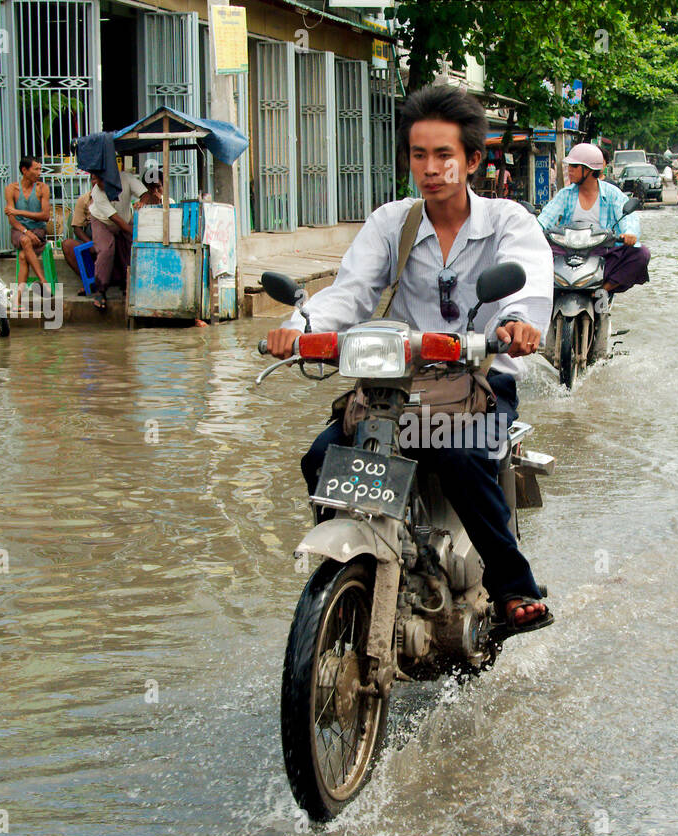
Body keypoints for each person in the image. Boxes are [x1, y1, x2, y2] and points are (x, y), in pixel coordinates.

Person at [265, 84, 553, 635]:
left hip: (480, 380)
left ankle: (514, 583)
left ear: (472, 159)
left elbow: (527, 283)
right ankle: (352, 580)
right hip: (395, 383)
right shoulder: (390, 223)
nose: (431, 167)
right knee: (319, 458)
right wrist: (299, 329)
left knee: (454, 449)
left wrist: (516, 324)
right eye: (419, 155)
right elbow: (349, 293)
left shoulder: (508, 222)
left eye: (445, 155)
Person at [537, 142, 650, 301]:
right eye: (570, 166)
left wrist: (630, 233)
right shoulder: (565, 194)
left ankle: (603, 290)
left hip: (601, 252)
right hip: (567, 251)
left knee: (641, 254)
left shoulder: (612, 194)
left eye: (575, 166)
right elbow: (546, 217)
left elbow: (628, 217)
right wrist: (534, 229)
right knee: (533, 254)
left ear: (589, 170)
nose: (569, 171)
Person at [84, 165, 148, 311]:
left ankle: (129, 285)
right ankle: (100, 291)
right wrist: (137, 234)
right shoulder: (97, 193)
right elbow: (116, 220)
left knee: (132, 248)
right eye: (95, 180)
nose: (98, 184)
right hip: (102, 220)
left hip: (124, 217)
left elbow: (144, 193)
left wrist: (142, 202)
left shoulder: (126, 178)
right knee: (106, 249)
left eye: (100, 180)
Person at [5, 156, 52, 298]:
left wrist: (19, 212)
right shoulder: (11, 189)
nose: (39, 173)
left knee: (23, 256)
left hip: (38, 230)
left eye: (40, 169)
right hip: (19, 231)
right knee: (25, 240)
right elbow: (12, 220)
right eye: (36, 169)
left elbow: (45, 216)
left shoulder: (42, 188)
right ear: (24, 170)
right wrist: (26, 231)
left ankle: (17, 300)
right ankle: (43, 280)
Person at [60, 189, 93, 285]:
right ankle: (88, 281)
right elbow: (76, 227)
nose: (96, 182)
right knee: (67, 245)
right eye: (93, 179)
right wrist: (89, 243)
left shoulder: (114, 197)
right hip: (89, 239)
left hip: (109, 240)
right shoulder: (84, 199)